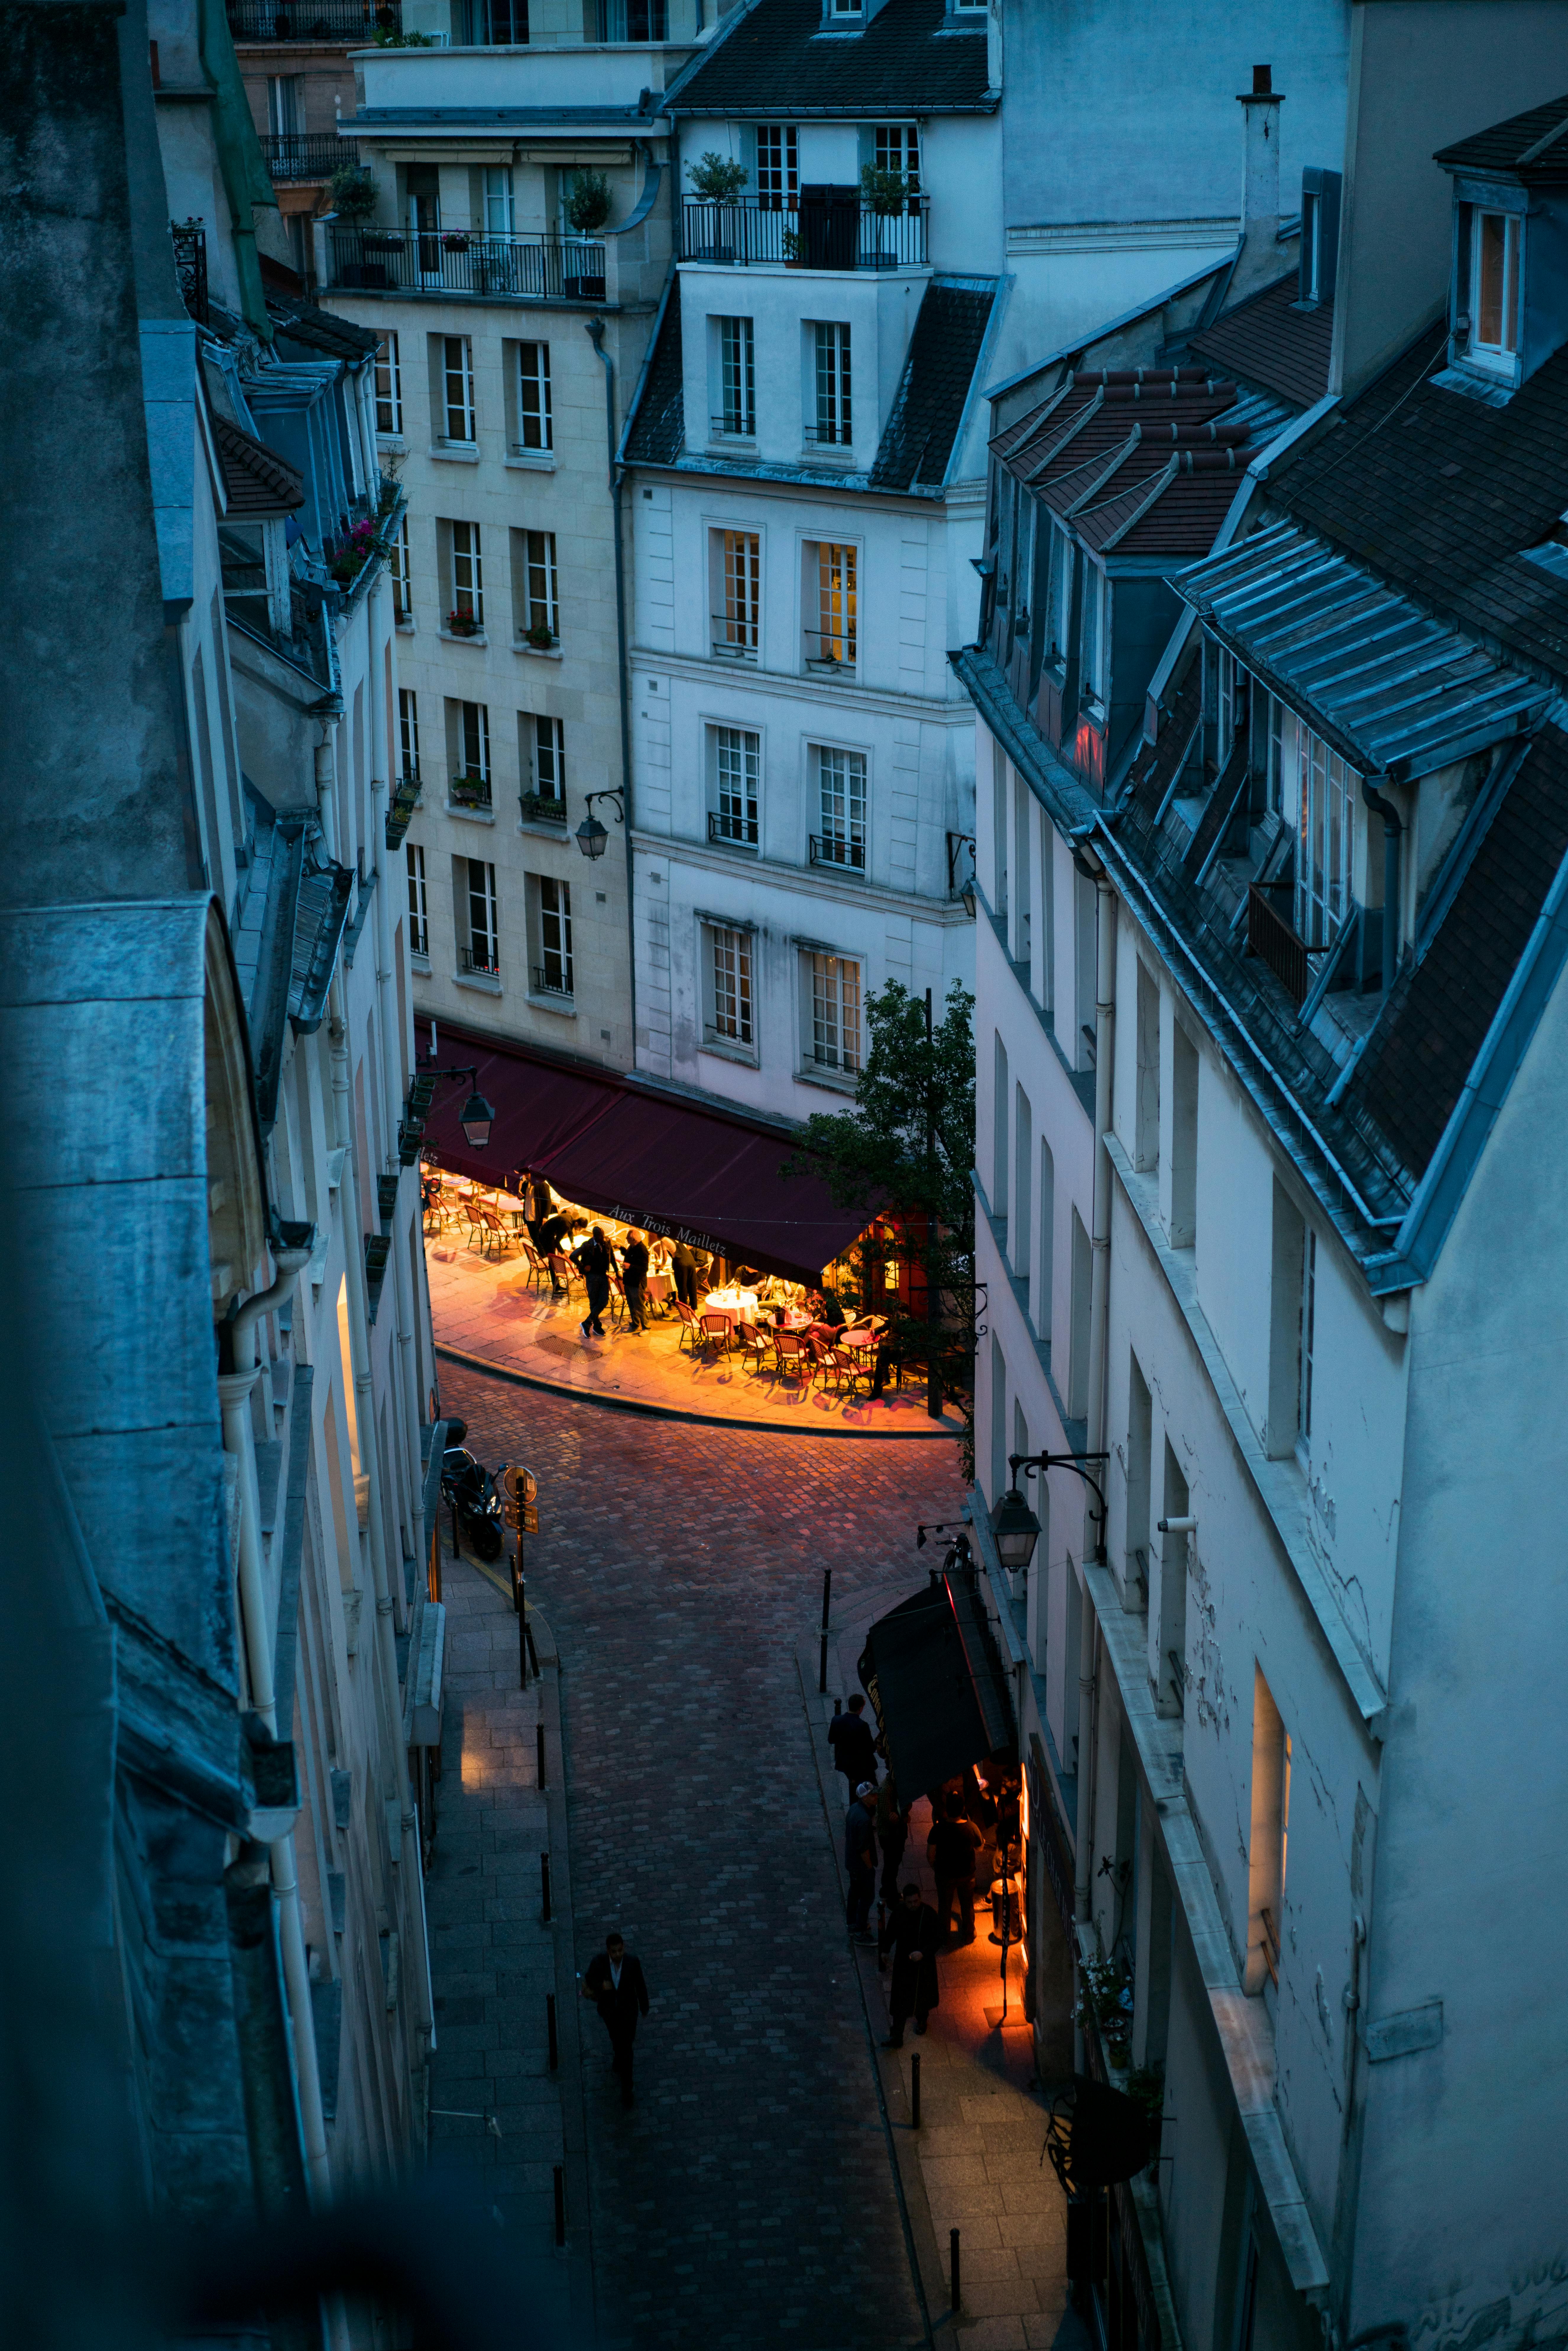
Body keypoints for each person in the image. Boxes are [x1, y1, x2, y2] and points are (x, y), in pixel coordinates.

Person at [581, 1931, 649, 2108]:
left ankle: (627, 2088)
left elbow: (640, 1984)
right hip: (610, 2012)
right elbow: (589, 1978)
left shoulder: (632, 1962)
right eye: (614, 1952)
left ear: (624, 1948)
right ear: (608, 1951)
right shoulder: (600, 1962)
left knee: (627, 2047)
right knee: (617, 2040)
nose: (618, 1955)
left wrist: (644, 2007)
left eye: (620, 1951)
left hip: (629, 2014)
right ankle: (618, 2056)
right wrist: (601, 1986)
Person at [879, 1883, 940, 2046]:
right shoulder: (899, 1912)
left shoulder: (929, 1914)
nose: (914, 1905)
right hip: (904, 1963)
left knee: (922, 1995)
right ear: (904, 1901)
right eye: (910, 1902)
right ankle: (897, 2036)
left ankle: (922, 2020)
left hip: (923, 1965)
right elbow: (891, 1932)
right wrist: (885, 1950)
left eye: (916, 1901)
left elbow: (938, 1939)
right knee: (900, 1999)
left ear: (920, 1899)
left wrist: (923, 1953)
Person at [927, 1796, 983, 1948]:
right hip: (967, 1875)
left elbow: (930, 1855)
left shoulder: (938, 1829)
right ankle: (969, 1934)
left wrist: (937, 1869)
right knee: (967, 1904)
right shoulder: (971, 1827)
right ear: (963, 1809)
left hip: (945, 1875)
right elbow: (980, 1847)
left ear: (947, 1810)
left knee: (944, 1906)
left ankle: (944, 1938)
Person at [827, 1693, 877, 1801]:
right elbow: (871, 1748)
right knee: (870, 1790)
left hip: (846, 1764)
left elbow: (831, 1740)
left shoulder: (836, 1720)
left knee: (854, 1792)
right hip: (861, 1765)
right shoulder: (862, 1725)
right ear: (861, 1709)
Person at [845, 1781, 877, 1941]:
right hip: (861, 1867)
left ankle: (852, 1924)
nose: (876, 1797)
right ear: (865, 1798)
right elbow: (864, 1849)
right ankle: (860, 1931)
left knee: (854, 1893)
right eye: (873, 1795)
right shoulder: (864, 1820)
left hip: (852, 1862)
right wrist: (870, 1868)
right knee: (867, 1898)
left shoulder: (853, 1809)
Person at [875, 1774, 909, 1909]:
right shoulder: (886, 1790)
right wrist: (901, 1817)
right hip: (890, 1836)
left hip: (896, 1834)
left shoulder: (897, 1785)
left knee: (892, 1864)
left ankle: (886, 1890)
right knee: (892, 1866)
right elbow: (889, 1818)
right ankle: (891, 1898)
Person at [575, 1225, 612, 1338]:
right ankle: (597, 1326)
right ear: (595, 1237)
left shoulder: (606, 1243)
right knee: (594, 1303)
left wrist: (616, 1271)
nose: (603, 1238)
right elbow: (573, 1256)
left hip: (603, 1276)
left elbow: (611, 1257)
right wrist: (583, 1266)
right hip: (592, 1277)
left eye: (603, 1236)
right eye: (600, 1237)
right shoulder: (588, 1245)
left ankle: (587, 1323)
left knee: (604, 1301)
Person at [537, 1209, 576, 1296]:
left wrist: (572, 1243)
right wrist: (563, 1253)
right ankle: (556, 1288)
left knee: (553, 1262)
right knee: (553, 1263)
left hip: (548, 1235)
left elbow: (570, 1232)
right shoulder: (567, 1224)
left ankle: (557, 1286)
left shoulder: (570, 1219)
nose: (578, 1229)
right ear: (577, 1224)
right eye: (580, 1228)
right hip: (545, 1237)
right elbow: (557, 1242)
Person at [621, 1229, 650, 1332]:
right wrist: (621, 1248)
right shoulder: (632, 1247)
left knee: (639, 1306)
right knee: (632, 1305)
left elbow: (644, 1269)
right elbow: (629, 1256)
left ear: (634, 1239)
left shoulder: (642, 1250)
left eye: (628, 1238)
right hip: (629, 1280)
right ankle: (635, 1324)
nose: (626, 1239)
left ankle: (646, 1327)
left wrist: (630, 1266)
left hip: (637, 1282)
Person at [670, 1238, 699, 1311]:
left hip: (681, 1264)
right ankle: (694, 1311)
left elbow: (665, 1260)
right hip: (690, 1260)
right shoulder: (679, 1238)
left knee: (682, 1289)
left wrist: (661, 1266)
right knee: (692, 1286)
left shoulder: (664, 1240)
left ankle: (685, 1313)